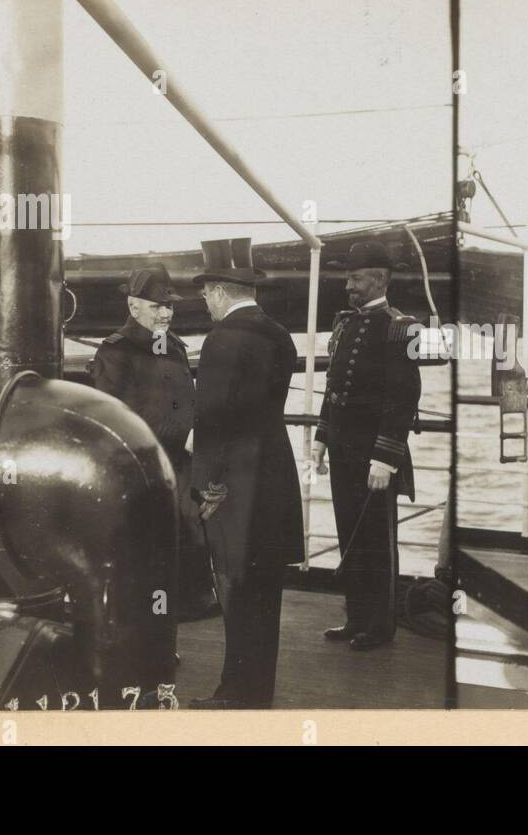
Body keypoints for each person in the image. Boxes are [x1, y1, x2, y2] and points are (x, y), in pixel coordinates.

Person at [188, 239, 304, 709]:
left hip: (233, 485)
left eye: (205, 294)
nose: (204, 302)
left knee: (234, 587)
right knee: (264, 591)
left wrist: (202, 488)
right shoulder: (281, 335)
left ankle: (233, 693)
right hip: (273, 474)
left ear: (218, 291)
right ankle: (256, 691)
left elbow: (214, 420)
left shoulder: (221, 339)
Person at [87, 264, 217, 623]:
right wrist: (181, 435)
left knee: (188, 533)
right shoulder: (116, 352)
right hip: (142, 467)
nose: (166, 313)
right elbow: (117, 418)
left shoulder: (172, 346)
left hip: (181, 464)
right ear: (133, 308)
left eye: (170, 306)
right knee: (149, 547)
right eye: (157, 306)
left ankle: (187, 605)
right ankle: (153, 621)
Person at [310, 241, 422, 651]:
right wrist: (322, 438)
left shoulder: (400, 326)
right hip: (343, 449)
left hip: (374, 453)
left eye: (355, 279)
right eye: (348, 279)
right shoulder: (346, 323)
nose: (348, 287)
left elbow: (404, 397)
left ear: (379, 278)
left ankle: (380, 625)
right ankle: (356, 616)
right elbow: (334, 388)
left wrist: (385, 457)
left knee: (377, 539)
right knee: (349, 534)